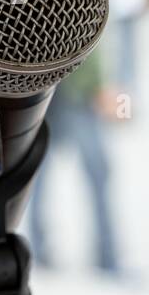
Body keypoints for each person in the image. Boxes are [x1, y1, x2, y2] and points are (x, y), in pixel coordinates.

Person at [27, 50, 120, 274]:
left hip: (76, 94)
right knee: (38, 173)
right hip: (59, 95)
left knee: (97, 172)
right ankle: (40, 251)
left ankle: (106, 255)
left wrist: (99, 86)